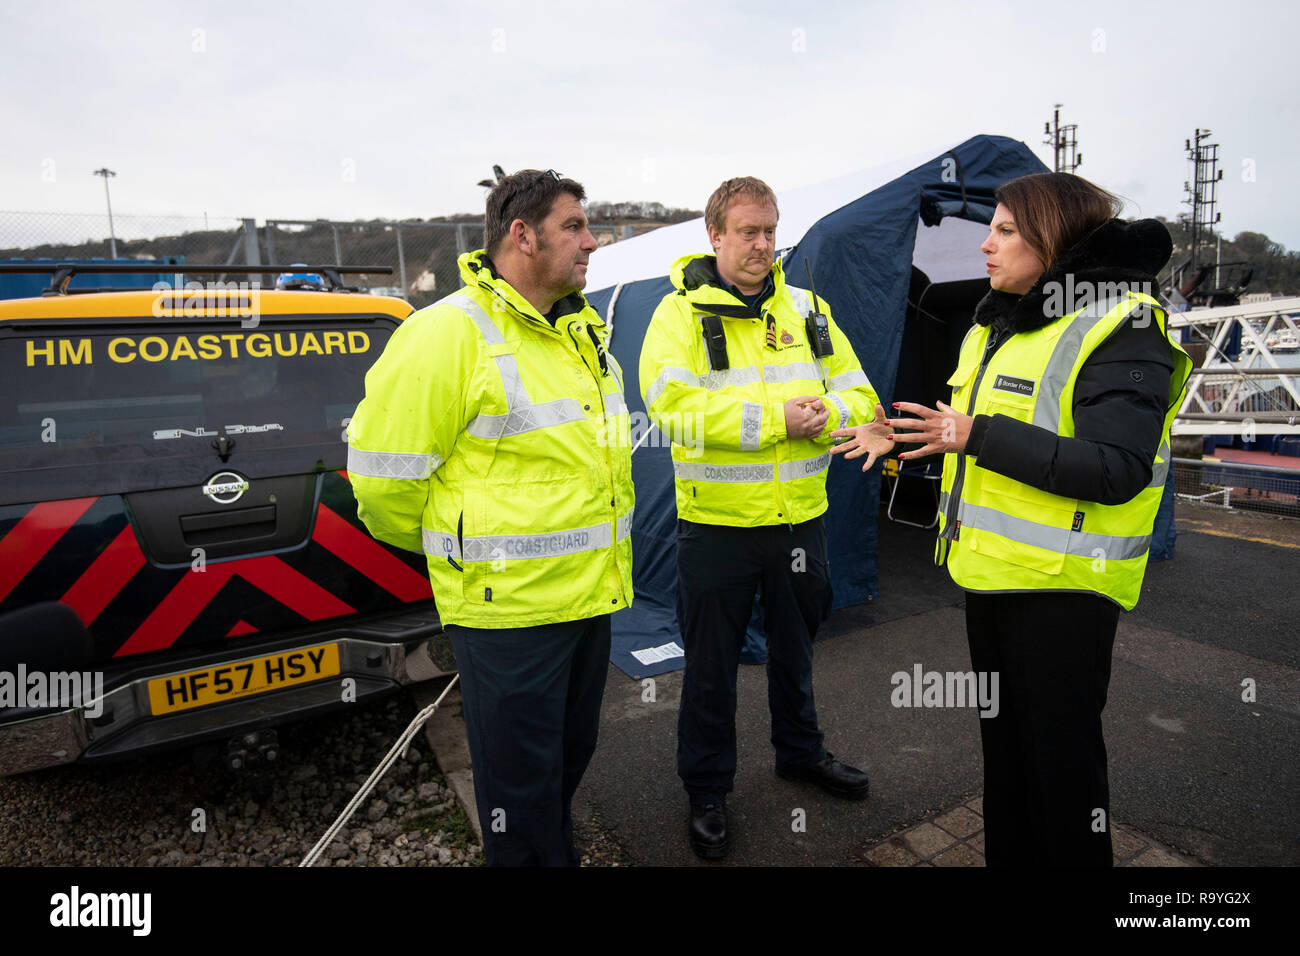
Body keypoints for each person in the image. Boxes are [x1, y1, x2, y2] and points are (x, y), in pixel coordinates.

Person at [831, 172, 1193, 866]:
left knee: (1062, 776)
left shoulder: (1125, 324)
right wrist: (901, 438)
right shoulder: (996, 324)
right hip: (991, 581)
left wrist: (978, 435)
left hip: (1064, 592)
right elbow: (955, 429)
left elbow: (1116, 467)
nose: (985, 247)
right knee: (1007, 763)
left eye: (1003, 230)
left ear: (1051, 237)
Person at [347, 169, 634, 866]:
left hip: (587, 598)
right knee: (520, 795)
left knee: (561, 772)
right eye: (574, 226)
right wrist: (466, 558)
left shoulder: (579, 331)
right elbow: (385, 487)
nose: (592, 242)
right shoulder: (446, 334)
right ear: (521, 234)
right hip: (507, 618)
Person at [638, 176, 889, 859]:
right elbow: (672, 408)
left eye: (770, 230)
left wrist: (828, 416)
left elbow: (860, 395)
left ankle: (800, 754)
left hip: (800, 522)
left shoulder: (808, 310)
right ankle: (708, 790)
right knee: (712, 668)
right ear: (714, 235)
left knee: (796, 651)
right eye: (747, 231)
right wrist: (773, 422)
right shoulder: (676, 317)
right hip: (716, 528)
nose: (762, 244)